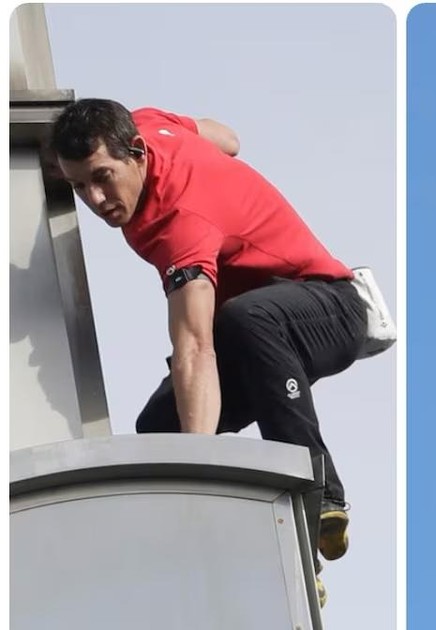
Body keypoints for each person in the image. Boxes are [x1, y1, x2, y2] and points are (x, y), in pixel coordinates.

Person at [49, 99, 371, 577]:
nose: (96, 200)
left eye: (102, 177)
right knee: (160, 430)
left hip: (330, 306)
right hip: (254, 337)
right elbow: (228, 138)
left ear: (135, 153)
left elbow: (195, 347)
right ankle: (279, 560)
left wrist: (197, 474)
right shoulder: (150, 125)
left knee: (242, 321)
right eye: (79, 186)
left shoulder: (182, 224)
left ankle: (322, 495)